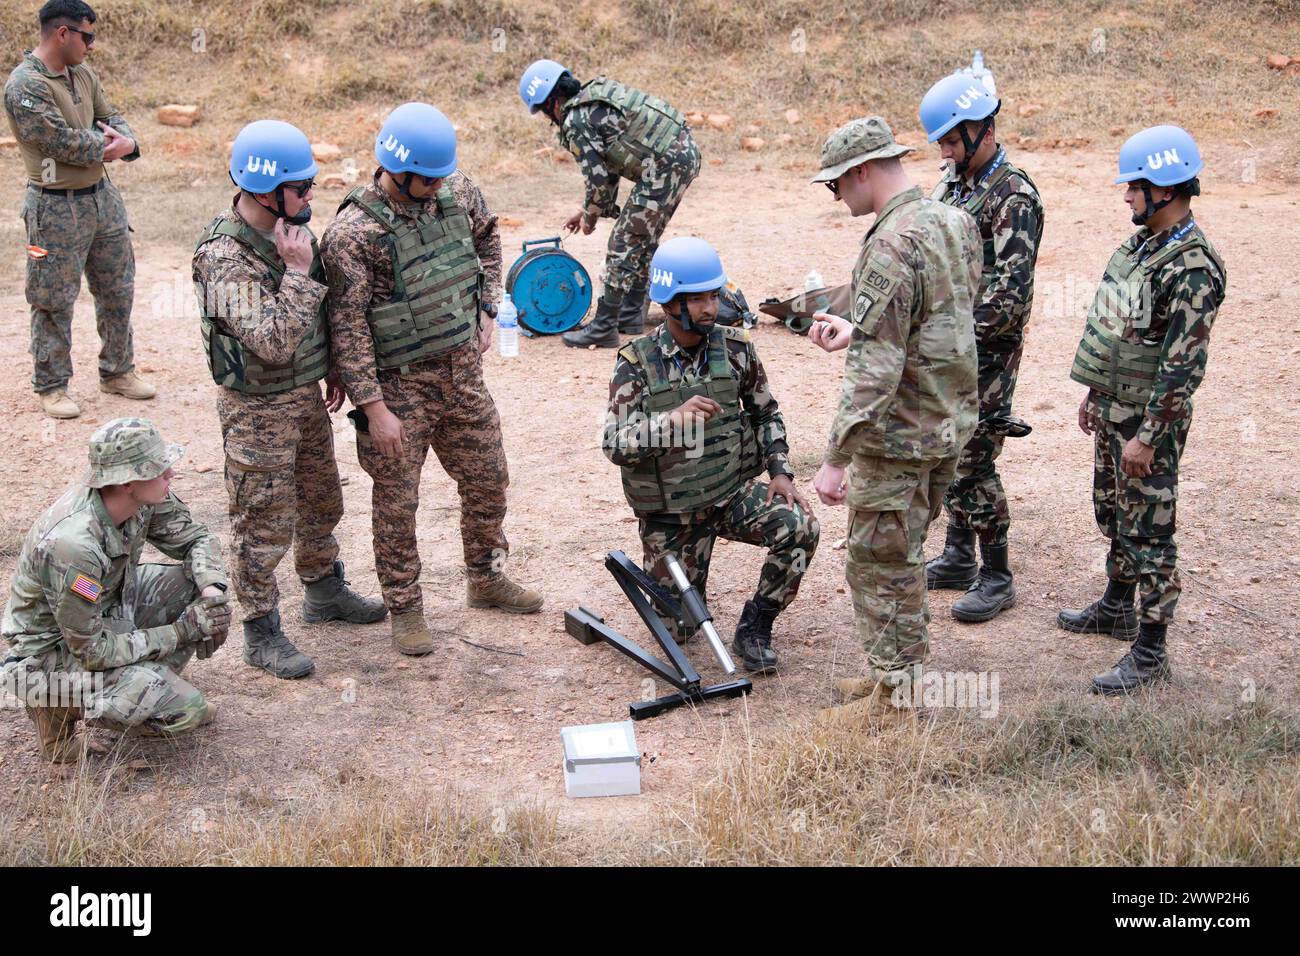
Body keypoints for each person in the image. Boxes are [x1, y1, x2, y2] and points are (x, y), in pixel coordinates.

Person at [322, 102, 543, 658]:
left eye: (444, 175)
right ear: (398, 170)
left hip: (463, 373)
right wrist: (374, 409)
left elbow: (489, 241)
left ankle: (487, 578)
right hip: (399, 389)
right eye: (430, 177)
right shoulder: (354, 232)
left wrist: (489, 304)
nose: (441, 183)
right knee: (398, 500)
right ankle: (405, 607)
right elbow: (348, 328)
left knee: (489, 477)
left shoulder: (455, 190)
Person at [192, 119, 387, 680]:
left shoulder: (293, 230)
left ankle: (324, 590)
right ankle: (261, 631)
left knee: (321, 500)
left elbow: (316, 322)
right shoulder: (223, 257)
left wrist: (329, 365)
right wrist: (300, 273)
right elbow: (274, 342)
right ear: (264, 191)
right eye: (301, 189)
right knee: (262, 521)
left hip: (303, 396)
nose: (310, 196)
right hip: (256, 409)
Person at [807, 118, 981, 725]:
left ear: (861, 173)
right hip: (946, 421)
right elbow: (945, 316)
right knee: (903, 552)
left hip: (898, 432)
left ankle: (896, 696)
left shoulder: (889, 241)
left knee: (879, 560)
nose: (836, 198)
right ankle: (894, 678)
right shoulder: (954, 221)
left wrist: (835, 459)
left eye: (836, 186)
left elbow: (874, 370)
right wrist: (864, 327)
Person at [1059, 125, 1226, 695]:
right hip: (1116, 410)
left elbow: (1183, 367)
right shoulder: (1142, 248)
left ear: (1167, 188)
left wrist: (1149, 436)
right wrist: (1096, 395)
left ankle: (1152, 650)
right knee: (1113, 513)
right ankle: (1115, 606)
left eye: (1135, 186)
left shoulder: (1193, 268)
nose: (1127, 196)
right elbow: (1116, 334)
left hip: (1147, 423)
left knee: (1149, 531)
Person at [602, 237, 818, 672]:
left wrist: (781, 472)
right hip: (672, 514)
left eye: (713, 296)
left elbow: (765, 413)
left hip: (729, 493)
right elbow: (614, 444)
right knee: (678, 628)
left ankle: (756, 626)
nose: (710, 308)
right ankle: (675, 580)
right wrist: (672, 421)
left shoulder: (736, 348)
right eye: (697, 299)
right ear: (669, 303)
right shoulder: (637, 362)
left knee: (800, 526)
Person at [1, 419, 229, 762]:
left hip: (107, 612)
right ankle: (55, 708)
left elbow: (197, 538)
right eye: (159, 470)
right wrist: (182, 632)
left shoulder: (144, 496)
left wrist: (212, 593)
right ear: (126, 482)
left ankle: (147, 686)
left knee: (190, 585)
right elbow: (91, 651)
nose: (171, 475)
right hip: (50, 653)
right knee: (187, 710)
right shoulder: (74, 545)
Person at [919, 72, 1044, 622]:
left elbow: (1008, 300)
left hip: (985, 354)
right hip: (948, 347)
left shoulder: (1013, 197)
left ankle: (997, 574)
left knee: (973, 460)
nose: (945, 152)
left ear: (982, 130)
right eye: (941, 142)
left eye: (951, 140)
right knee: (949, 449)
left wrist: (943, 335)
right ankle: (957, 554)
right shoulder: (954, 183)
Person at [3, 0, 155, 420]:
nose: (92, 45)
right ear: (62, 33)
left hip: (101, 199)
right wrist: (115, 147)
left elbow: (111, 116)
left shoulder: (82, 73)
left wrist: (128, 142)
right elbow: (59, 142)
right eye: (87, 36)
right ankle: (52, 385)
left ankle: (117, 371)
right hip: (53, 208)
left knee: (117, 289)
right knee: (52, 298)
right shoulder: (25, 85)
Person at [519, 59, 701, 347]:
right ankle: (630, 315)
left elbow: (598, 181)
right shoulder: (593, 99)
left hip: (665, 165)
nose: (548, 118)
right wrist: (587, 209)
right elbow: (610, 166)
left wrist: (590, 218)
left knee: (624, 240)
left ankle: (604, 326)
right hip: (679, 155)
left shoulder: (575, 120)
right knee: (642, 236)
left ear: (552, 102)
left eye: (543, 111)